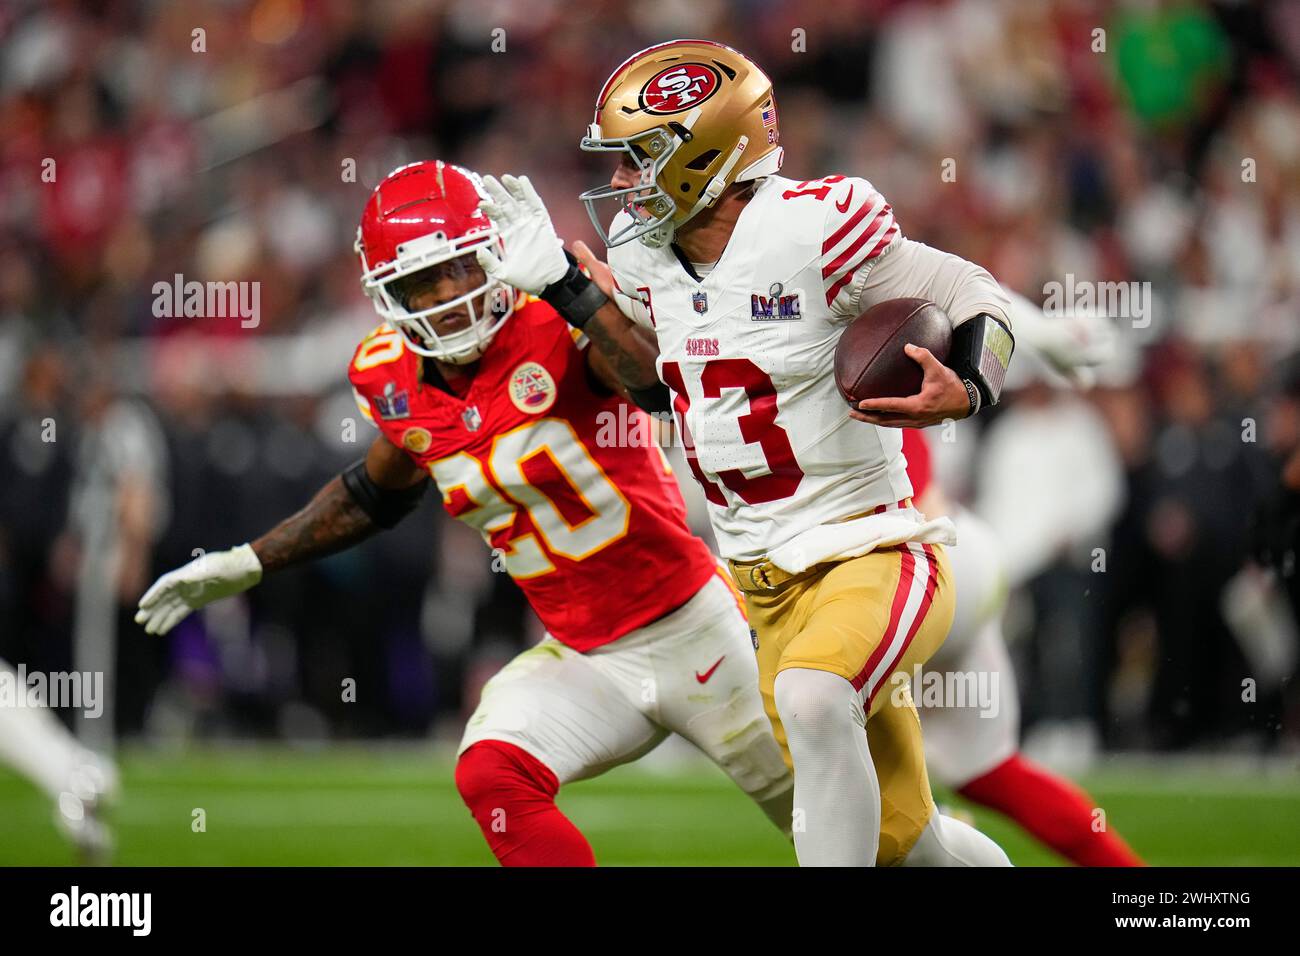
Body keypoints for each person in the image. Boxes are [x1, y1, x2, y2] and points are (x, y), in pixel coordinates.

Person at [135, 160, 792, 866]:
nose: (446, 296)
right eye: (421, 282)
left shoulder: (554, 317)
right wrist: (252, 561)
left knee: (871, 835)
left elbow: (659, 384)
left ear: (491, 257)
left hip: (697, 630)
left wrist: (570, 290)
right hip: (584, 654)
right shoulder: (389, 373)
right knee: (491, 770)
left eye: (456, 270)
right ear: (386, 292)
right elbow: (377, 492)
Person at [475, 40, 1014, 866]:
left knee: (812, 692)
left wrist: (971, 382)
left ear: (702, 155)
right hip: (762, 585)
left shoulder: (813, 226)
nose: (621, 183)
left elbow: (972, 291)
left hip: (868, 549)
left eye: (637, 159)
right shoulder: (644, 251)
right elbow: (658, 384)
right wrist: (567, 289)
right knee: (911, 844)